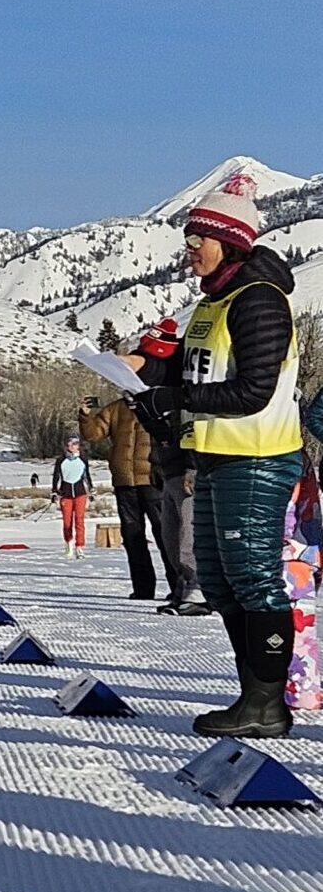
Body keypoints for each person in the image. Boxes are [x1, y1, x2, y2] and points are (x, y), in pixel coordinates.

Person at [131, 174, 305, 737]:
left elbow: (253, 389)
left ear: (228, 241)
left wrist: (173, 397)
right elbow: (190, 371)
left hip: (256, 456)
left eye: (195, 241)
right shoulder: (214, 303)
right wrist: (144, 371)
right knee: (222, 582)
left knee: (253, 578)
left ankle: (268, 704)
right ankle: (249, 695)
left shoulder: (259, 302)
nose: (187, 253)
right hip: (213, 457)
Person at [123, 318, 206, 614]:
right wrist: (142, 411)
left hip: (191, 465)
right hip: (168, 466)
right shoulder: (160, 391)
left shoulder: (189, 386)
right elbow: (164, 435)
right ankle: (181, 586)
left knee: (189, 534)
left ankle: (198, 589)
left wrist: (194, 465)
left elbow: (200, 425)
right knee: (170, 535)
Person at [50, 436, 94, 559]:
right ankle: (69, 545)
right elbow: (56, 477)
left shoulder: (83, 459)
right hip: (66, 494)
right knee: (67, 523)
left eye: (75, 444)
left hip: (80, 494)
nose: (73, 446)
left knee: (79, 521)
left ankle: (80, 547)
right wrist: (54, 492)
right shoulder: (61, 460)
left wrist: (91, 490)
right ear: (67, 446)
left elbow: (87, 476)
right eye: (71, 444)